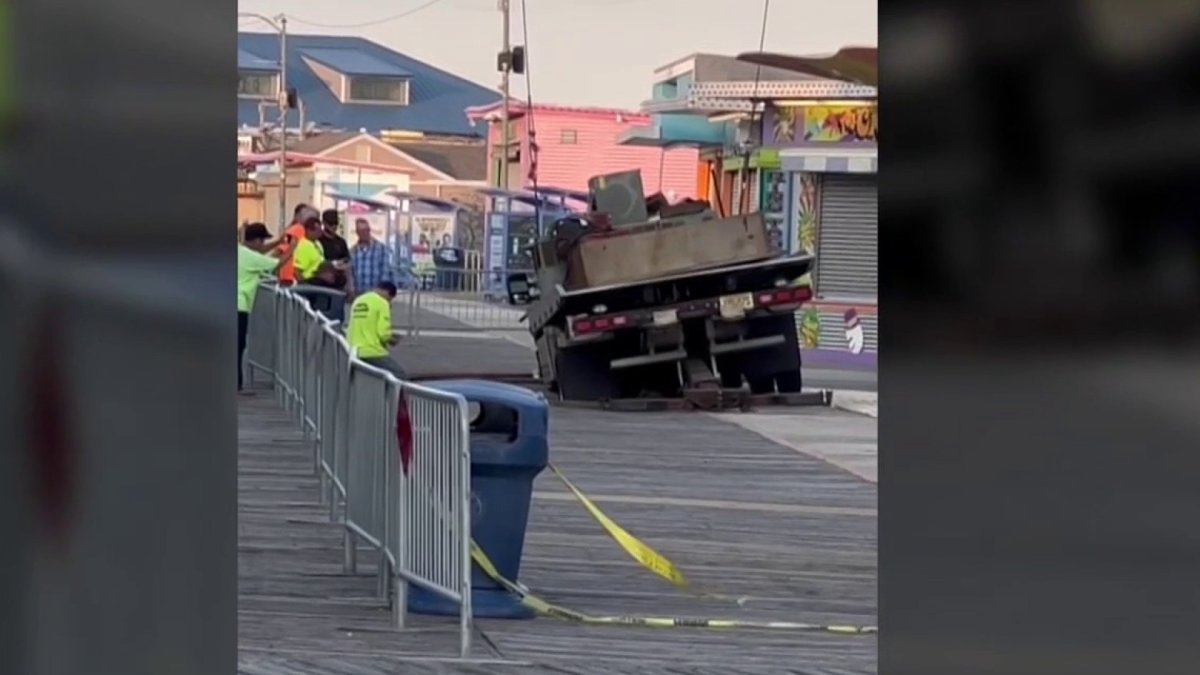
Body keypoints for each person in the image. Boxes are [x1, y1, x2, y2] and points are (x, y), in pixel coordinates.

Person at [237, 222, 292, 394]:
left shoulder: (240, 250)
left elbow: (260, 252)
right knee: (238, 346)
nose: (262, 245)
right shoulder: (251, 257)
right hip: (239, 305)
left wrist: (278, 242)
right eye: (262, 241)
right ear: (255, 240)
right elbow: (276, 263)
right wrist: (293, 247)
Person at [346, 280, 406, 378]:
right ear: (388, 294)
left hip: (352, 348)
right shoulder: (382, 303)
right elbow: (383, 334)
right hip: (371, 350)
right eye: (390, 299)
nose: (389, 302)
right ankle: (394, 393)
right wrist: (392, 339)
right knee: (399, 375)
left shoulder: (359, 300)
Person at [350, 217, 394, 297]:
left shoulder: (381, 249)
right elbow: (351, 273)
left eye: (366, 230)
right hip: (359, 295)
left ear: (369, 230)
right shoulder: (353, 251)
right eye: (361, 231)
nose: (364, 233)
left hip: (377, 294)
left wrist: (383, 292)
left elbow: (385, 272)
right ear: (357, 232)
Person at [278, 204, 319, 284]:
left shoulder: (295, 229)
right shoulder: (298, 229)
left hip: (289, 275)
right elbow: (281, 250)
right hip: (291, 277)